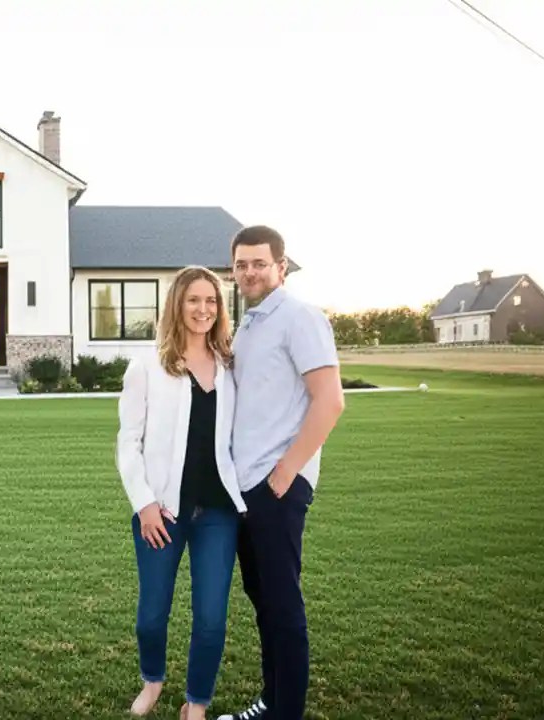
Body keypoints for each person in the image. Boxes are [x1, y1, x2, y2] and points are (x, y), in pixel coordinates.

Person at [216, 226, 345, 720]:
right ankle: (272, 702)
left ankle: (284, 711)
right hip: (246, 488)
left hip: (276, 487)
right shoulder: (249, 326)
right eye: (242, 264)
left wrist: (285, 473)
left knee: (282, 603)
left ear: (280, 266)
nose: (250, 272)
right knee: (265, 600)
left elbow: (330, 401)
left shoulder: (299, 318)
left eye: (260, 264)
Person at [116, 266, 248, 720]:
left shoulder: (232, 366)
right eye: (194, 300)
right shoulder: (147, 366)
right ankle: (152, 680)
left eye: (212, 301)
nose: (203, 309)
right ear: (177, 304)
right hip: (161, 512)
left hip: (218, 513)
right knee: (152, 615)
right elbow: (127, 442)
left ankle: (196, 702)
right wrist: (145, 504)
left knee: (211, 619)